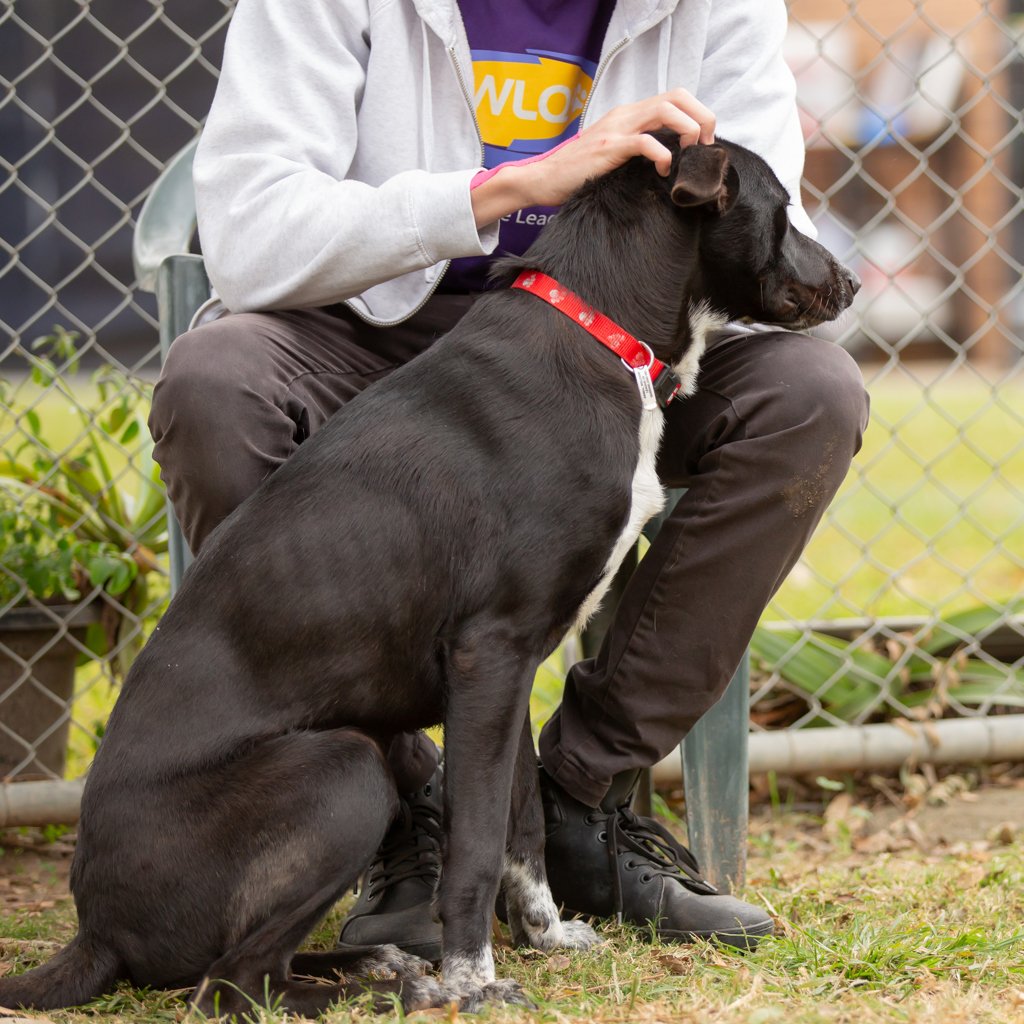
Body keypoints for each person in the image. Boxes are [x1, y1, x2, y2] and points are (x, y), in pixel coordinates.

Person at [149, 0, 869, 959]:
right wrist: (501, 188)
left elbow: (755, 228)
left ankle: (577, 794)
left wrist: (630, 344)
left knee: (810, 395)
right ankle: (397, 805)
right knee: (216, 384)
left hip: (610, 350)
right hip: (370, 329)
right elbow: (247, 231)